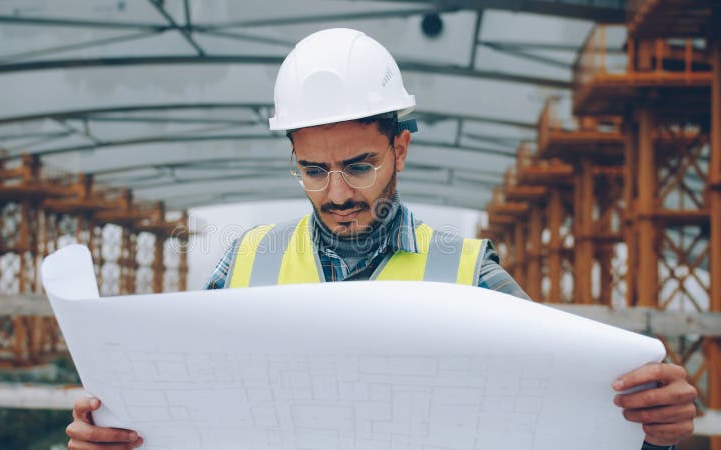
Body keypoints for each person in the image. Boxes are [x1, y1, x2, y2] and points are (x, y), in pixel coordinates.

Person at [65, 28, 697, 450]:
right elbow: (178, 407)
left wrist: (651, 434)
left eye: (359, 166)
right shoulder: (246, 261)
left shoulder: (469, 273)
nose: (337, 193)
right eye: (313, 171)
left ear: (401, 148)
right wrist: (113, 434)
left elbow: (557, 416)